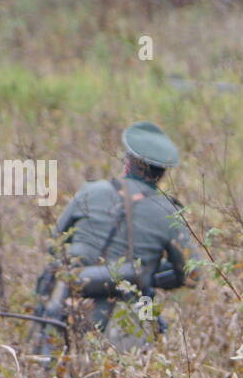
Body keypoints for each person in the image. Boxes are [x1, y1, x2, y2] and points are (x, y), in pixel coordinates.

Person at [34, 121, 199, 354]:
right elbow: (192, 274)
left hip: (64, 301)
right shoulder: (167, 212)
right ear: (161, 173)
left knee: (46, 367)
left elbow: (55, 245)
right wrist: (148, 275)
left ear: (127, 161)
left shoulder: (90, 191)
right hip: (126, 315)